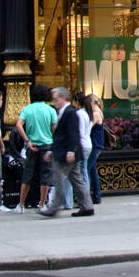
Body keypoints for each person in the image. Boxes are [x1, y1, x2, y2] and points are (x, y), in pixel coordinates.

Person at [39, 87, 94, 218]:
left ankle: (53, 208)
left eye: (56, 99)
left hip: (66, 154)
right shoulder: (64, 112)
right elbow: (60, 136)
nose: (54, 102)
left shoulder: (70, 113)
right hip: (65, 152)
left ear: (63, 98)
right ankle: (87, 206)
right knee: (77, 180)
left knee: (58, 180)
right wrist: (52, 150)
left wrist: (71, 151)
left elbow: (74, 134)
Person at [13, 84, 53, 214]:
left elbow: (18, 124)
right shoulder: (50, 110)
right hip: (47, 145)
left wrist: (27, 140)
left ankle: (21, 204)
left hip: (32, 146)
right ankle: (42, 203)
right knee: (45, 176)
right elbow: (54, 128)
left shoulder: (27, 109)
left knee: (27, 175)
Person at [86, 92, 105, 205]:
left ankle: (87, 196)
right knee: (92, 170)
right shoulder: (98, 112)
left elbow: (88, 128)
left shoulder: (96, 113)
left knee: (86, 169)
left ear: (92, 102)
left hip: (95, 144)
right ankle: (96, 196)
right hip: (96, 144)